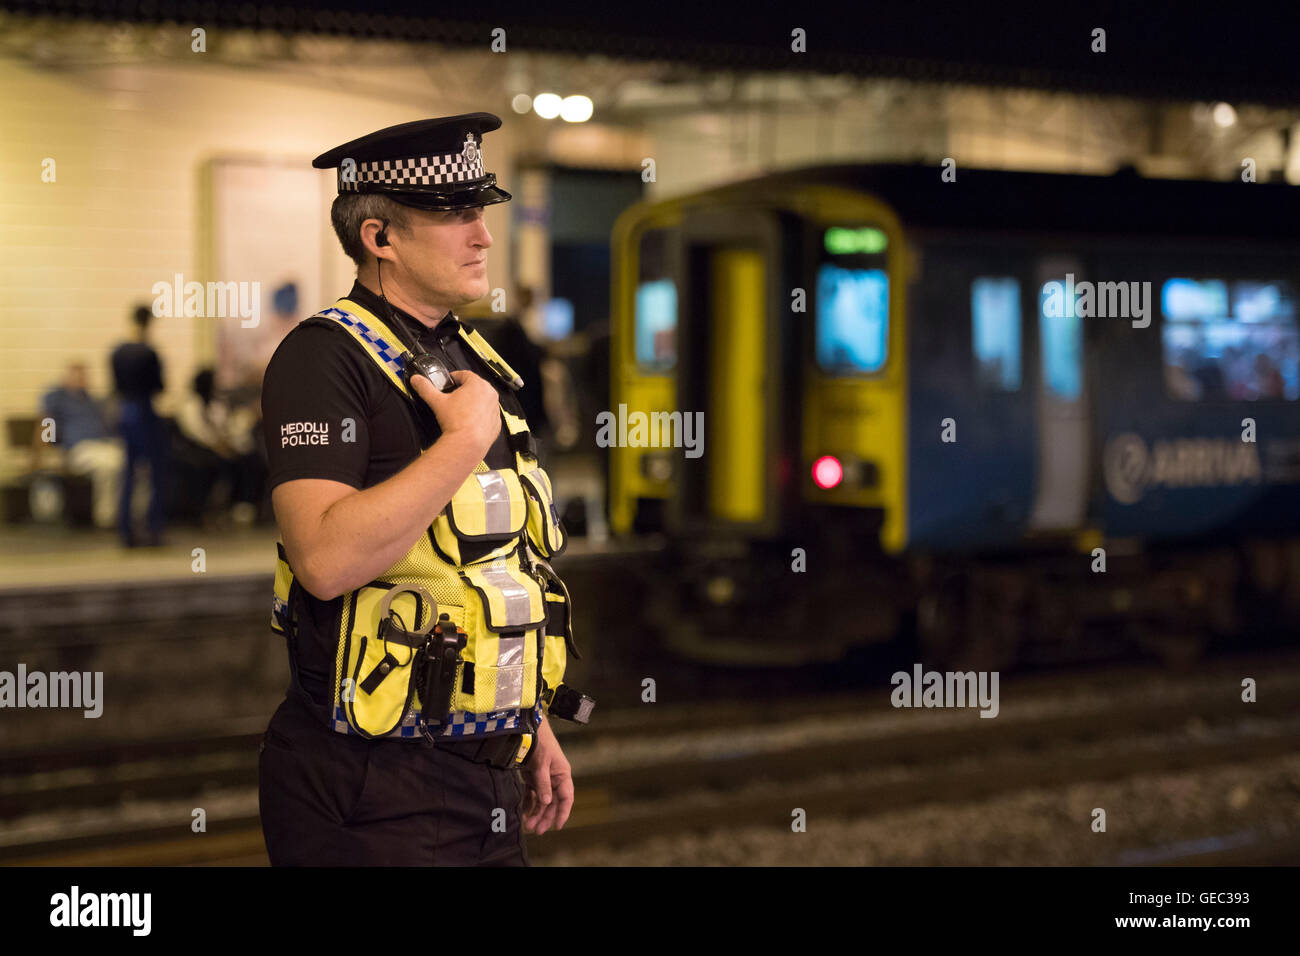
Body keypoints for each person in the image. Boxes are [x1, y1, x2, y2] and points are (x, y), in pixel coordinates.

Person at [257, 113, 594, 866]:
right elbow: (324, 559)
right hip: (372, 784)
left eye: (481, 211)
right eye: (455, 215)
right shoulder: (323, 361)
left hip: (484, 774)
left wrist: (527, 721)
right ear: (380, 237)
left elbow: (486, 568)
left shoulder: (464, 355)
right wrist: (463, 443)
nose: (482, 235)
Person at [34, 361, 125, 529]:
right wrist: (42, 455)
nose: (81, 380)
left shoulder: (93, 402)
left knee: (132, 463)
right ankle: (107, 519)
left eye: (84, 376)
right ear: (67, 378)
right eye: (77, 376)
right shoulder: (57, 399)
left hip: (104, 446)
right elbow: (45, 425)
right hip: (79, 450)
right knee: (109, 466)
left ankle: (129, 514)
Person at [110, 304, 168, 547]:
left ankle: (126, 528)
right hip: (144, 411)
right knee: (156, 472)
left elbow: (115, 385)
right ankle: (153, 527)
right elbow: (159, 386)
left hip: (125, 411)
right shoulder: (148, 353)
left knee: (129, 472)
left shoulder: (118, 351)